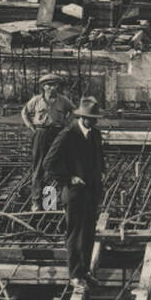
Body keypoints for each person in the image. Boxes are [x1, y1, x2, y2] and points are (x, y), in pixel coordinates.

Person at [45, 97, 104, 289]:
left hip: (91, 192)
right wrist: (69, 178)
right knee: (75, 233)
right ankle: (75, 275)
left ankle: (85, 271)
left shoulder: (95, 134)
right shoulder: (68, 134)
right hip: (75, 194)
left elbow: (99, 157)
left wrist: (101, 171)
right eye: (91, 118)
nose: (94, 122)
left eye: (95, 118)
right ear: (82, 117)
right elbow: (49, 163)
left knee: (88, 234)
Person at [20, 74, 74, 210]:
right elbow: (24, 112)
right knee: (39, 166)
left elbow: (74, 111)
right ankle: (36, 202)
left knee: (58, 164)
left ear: (58, 86)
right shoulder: (36, 100)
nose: (51, 88)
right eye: (48, 85)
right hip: (41, 133)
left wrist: (67, 124)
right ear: (43, 87)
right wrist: (31, 126)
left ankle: (57, 201)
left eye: (54, 85)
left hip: (57, 133)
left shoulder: (63, 100)